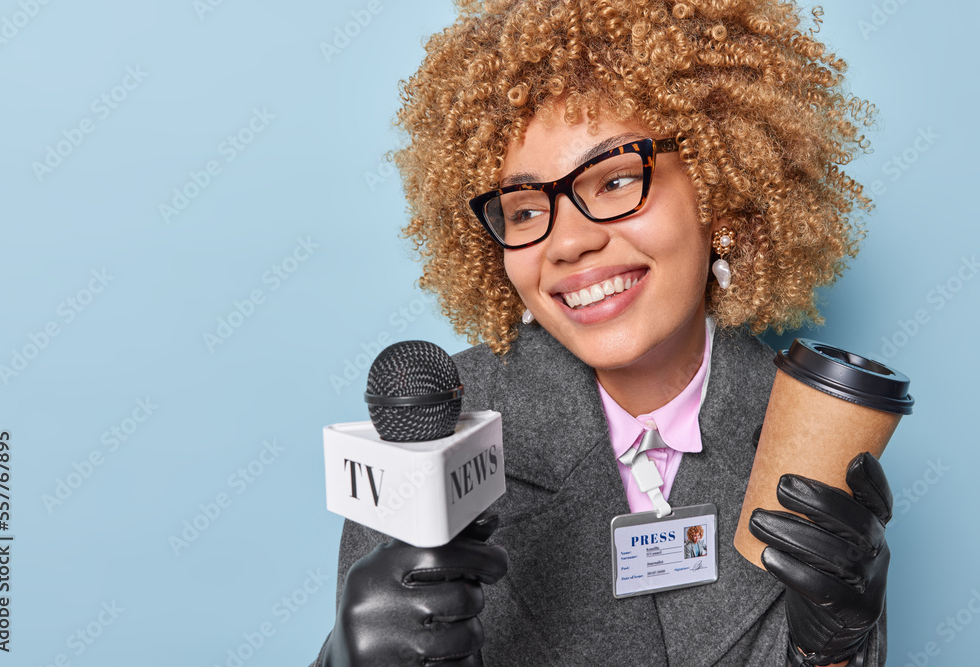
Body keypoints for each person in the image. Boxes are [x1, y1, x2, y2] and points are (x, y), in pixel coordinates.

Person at [316, 1, 893, 665]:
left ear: (717, 191)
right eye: (527, 208)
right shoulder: (433, 424)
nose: (569, 241)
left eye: (617, 179)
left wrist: (837, 650)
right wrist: (346, 660)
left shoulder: (811, 425)